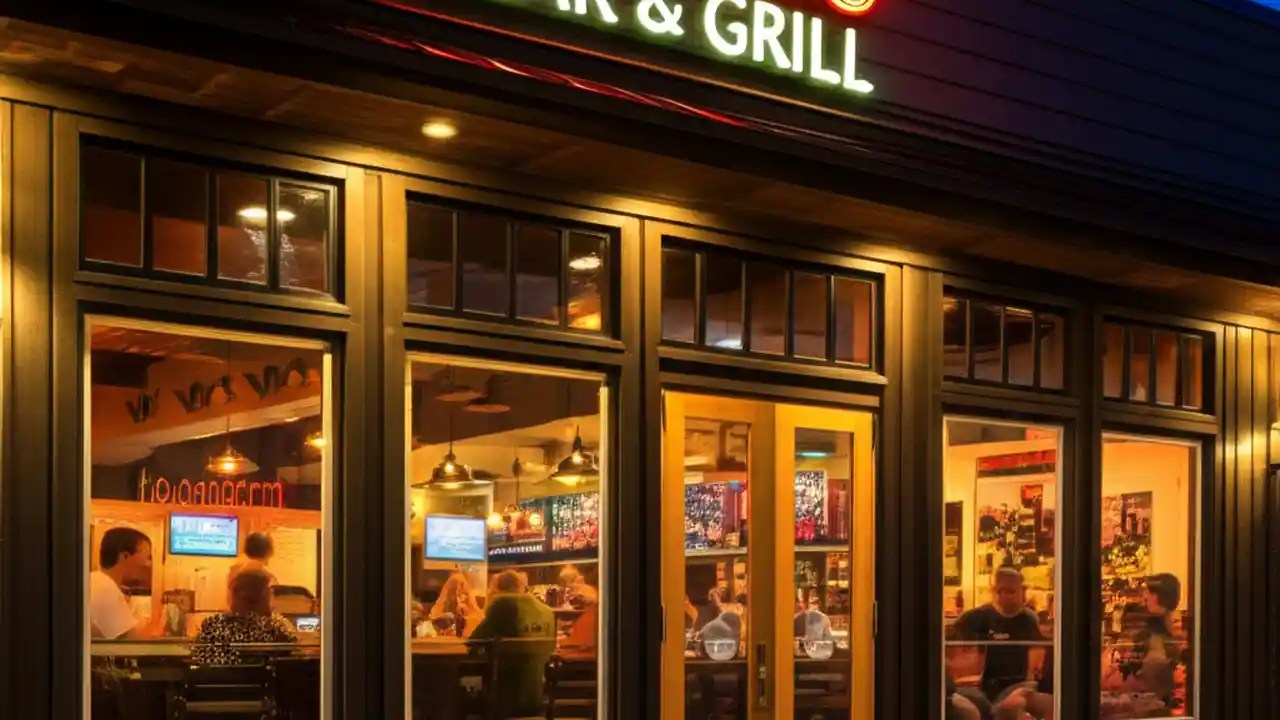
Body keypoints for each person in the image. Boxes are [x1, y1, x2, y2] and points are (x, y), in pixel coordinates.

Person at [471, 570, 556, 716]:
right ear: (521, 586)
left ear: (496, 588)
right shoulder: (547, 611)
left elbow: (474, 641)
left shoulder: (501, 605)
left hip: (503, 698)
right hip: (537, 695)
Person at [953, 567, 1045, 702]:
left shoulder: (1029, 619)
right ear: (993, 591)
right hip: (986, 687)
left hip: (1019, 687)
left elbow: (1036, 657)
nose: (1005, 596)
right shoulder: (977, 617)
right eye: (1000, 591)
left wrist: (1031, 680)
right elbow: (954, 641)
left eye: (1011, 591)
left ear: (1022, 591)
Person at [193, 567, 296, 665]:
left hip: (217, 682)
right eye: (271, 593)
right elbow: (296, 657)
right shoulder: (277, 626)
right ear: (265, 596)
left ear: (234, 596)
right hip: (262, 681)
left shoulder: (212, 624)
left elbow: (197, 660)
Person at [90, 527, 153, 640]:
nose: (147, 564)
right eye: (146, 557)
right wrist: (145, 617)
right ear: (125, 556)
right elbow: (130, 641)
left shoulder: (97, 581)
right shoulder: (104, 587)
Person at [430, 572, 485, 638]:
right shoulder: (438, 613)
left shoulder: (475, 615)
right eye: (458, 594)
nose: (461, 598)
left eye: (464, 593)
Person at [227, 532, 276, 602]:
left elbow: (229, 601)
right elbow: (273, 604)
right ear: (268, 552)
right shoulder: (270, 577)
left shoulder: (234, 571)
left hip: (237, 612)